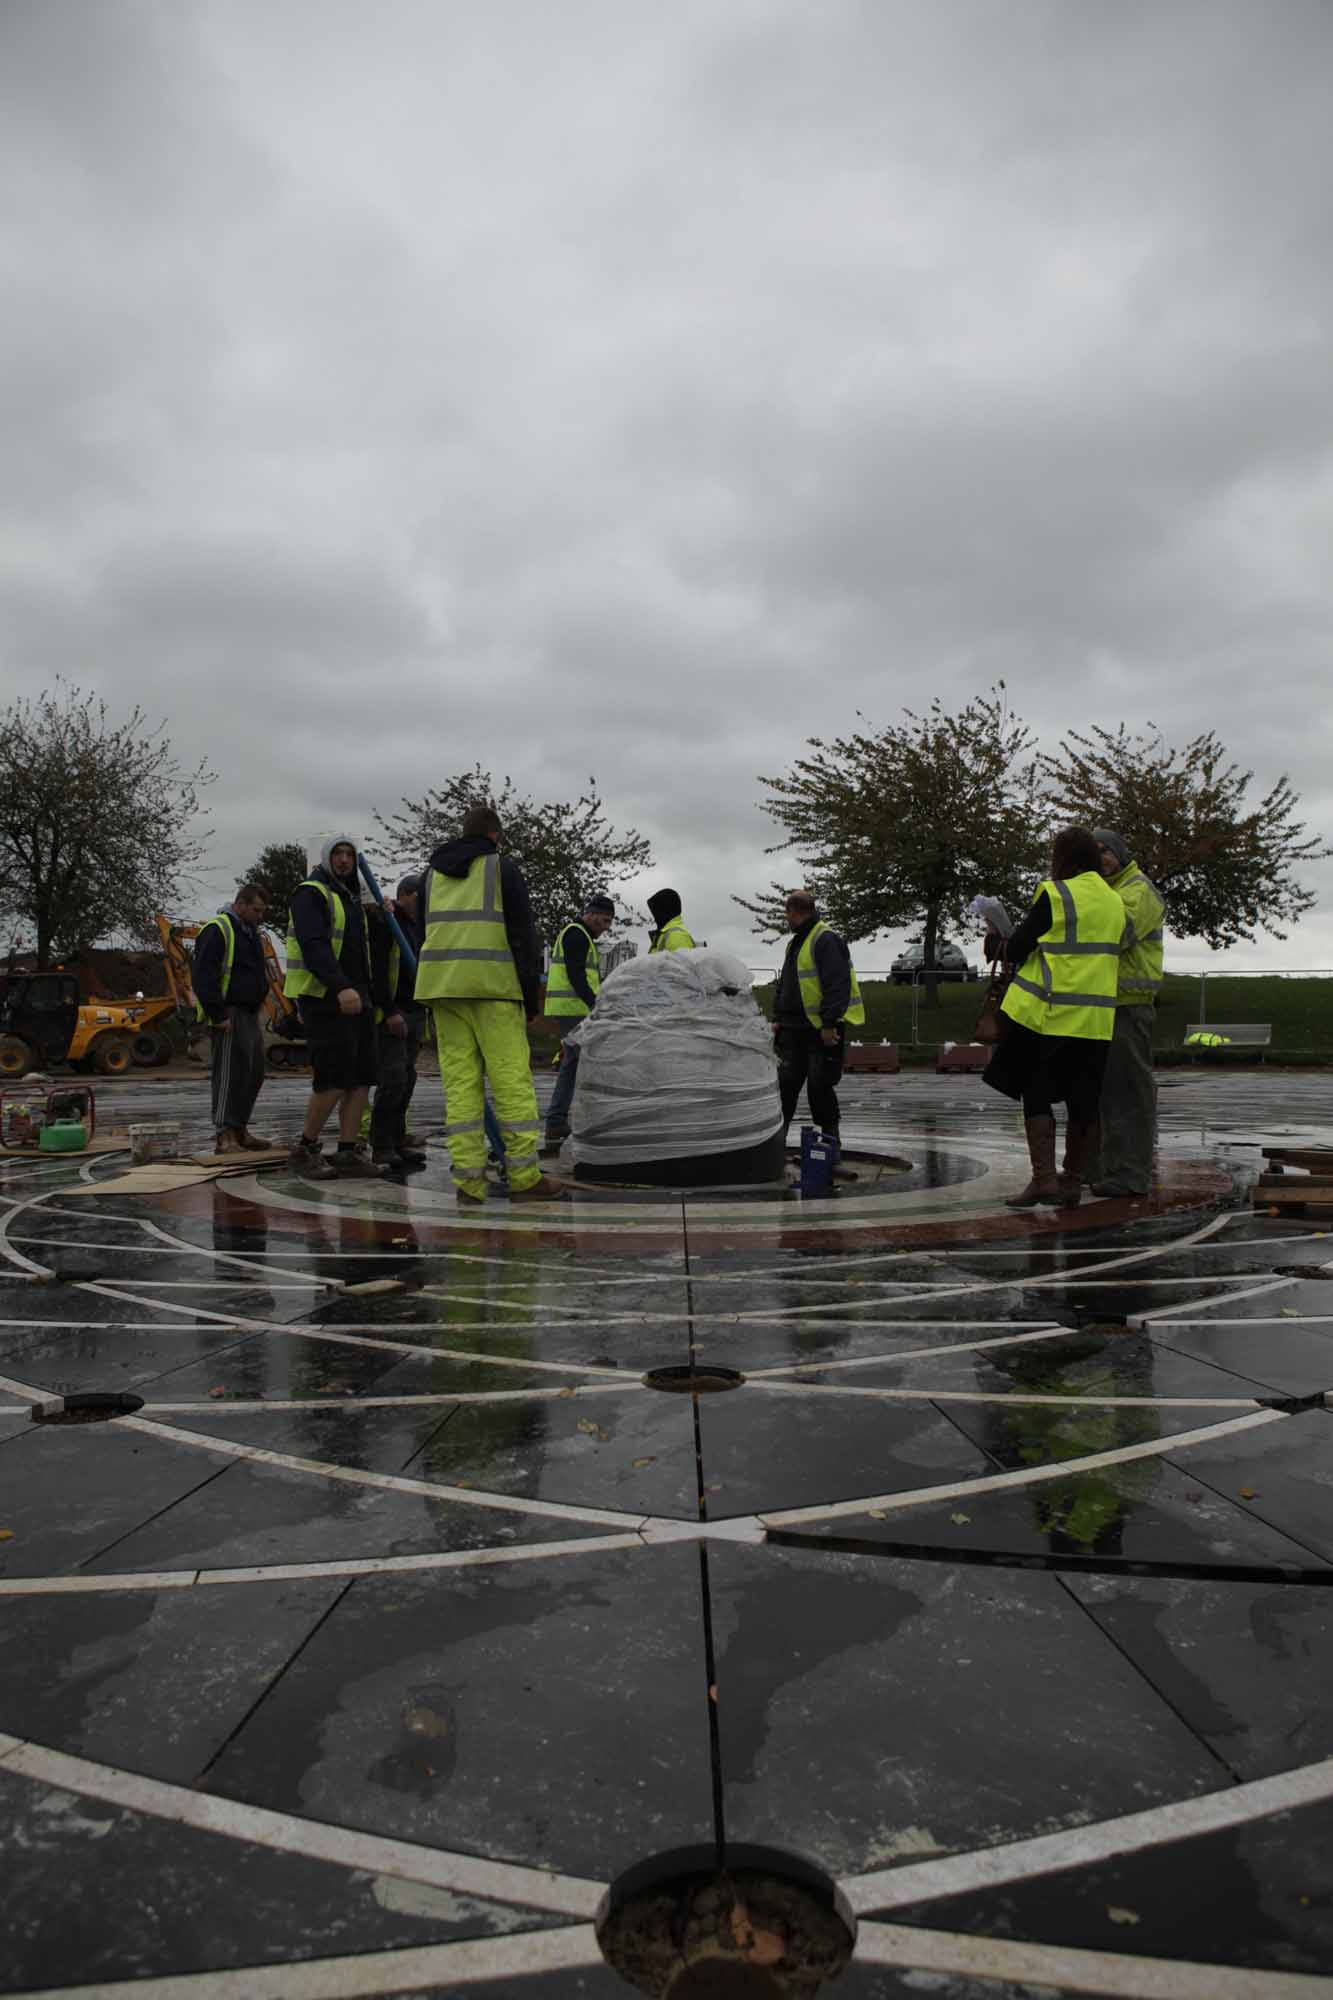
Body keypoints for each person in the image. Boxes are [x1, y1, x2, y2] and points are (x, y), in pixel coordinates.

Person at [414, 802, 564, 1203]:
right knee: (511, 1081)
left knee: (461, 1087)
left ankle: (469, 1183)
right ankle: (524, 1177)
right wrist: (530, 993)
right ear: (495, 836)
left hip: (443, 989)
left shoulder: (431, 875)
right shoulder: (502, 868)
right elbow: (523, 935)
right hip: (493, 988)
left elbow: (420, 931)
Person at [984, 826, 1128, 1208]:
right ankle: (1073, 1182)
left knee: (1035, 1092)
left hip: (1049, 1016)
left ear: (1061, 858)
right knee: (1084, 1102)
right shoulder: (1114, 901)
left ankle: (1044, 1179)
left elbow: (1017, 947)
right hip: (1095, 1020)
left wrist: (998, 938)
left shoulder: (1057, 894)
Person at [283, 836, 385, 1182]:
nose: (344, 860)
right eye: (338, 854)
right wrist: (340, 987)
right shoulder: (311, 893)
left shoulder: (352, 897)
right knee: (333, 1077)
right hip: (326, 997)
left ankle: (347, 1150)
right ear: (326, 858)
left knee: (362, 1077)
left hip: (359, 996)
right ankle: (304, 1148)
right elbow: (314, 946)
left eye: (350, 854)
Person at [1087, 828, 1165, 1198]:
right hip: (1098, 1007)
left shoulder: (1137, 889)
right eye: (1094, 851)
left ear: (1120, 853)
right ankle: (1101, 1167)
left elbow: (1116, 934)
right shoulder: (1104, 891)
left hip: (1128, 1007)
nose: (1101, 857)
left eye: (1106, 850)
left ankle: (1130, 1174)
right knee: (1101, 1094)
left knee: (1128, 1094)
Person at [772, 889, 865, 1144]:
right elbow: (787, 984)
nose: (786, 919)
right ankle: (776, 1147)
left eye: (787, 914)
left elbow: (838, 984)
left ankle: (830, 1146)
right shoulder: (797, 942)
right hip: (794, 1029)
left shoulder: (824, 939)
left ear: (794, 911)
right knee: (785, 1090)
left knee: (820, 1088)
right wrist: (779, 1017)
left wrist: (829, 1023)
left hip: (818, 1030)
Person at [192, 884, 273, 1156]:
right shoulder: (219, 929)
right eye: (256, 910)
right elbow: (204, 974)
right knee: (229, 1072)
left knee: (253, 1071)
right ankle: (224, 1133)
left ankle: (240, 1128)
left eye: (262, 911)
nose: (260, 916)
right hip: (229, 1012)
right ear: (240, 904)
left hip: (250, 1012)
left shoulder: (250, 933)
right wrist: (218, 1014)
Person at [542, 895, 615, 1154]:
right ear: (592, 914)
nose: (606, 927)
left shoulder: (581, 936)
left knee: (572, 1065)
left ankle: (556, 1121)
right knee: (587, 1063)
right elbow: (576, 975)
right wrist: (595, 1003)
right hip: (575, 1011)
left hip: (572, 1011)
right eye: (604, 920)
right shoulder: (577, 935)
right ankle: (586, 1120)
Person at [367, 874, 429, 1173]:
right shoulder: (386, 922)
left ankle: (397, 1138)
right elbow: (378, 969)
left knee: (408, 1078)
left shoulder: (420, 926)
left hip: (416, 1009)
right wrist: (389, 1010)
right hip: (395, 1010)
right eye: (418, 896)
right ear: (404, 894)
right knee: (393, 1080)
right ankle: (381, 1145)